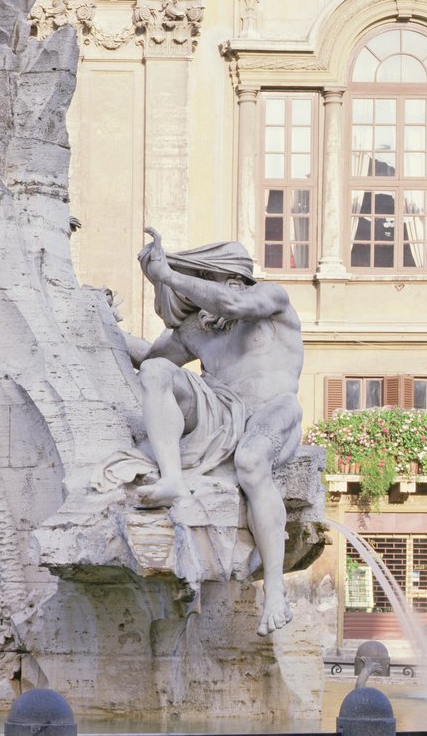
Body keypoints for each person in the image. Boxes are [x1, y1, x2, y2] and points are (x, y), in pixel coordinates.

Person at [127, 227, 304, 637]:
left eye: (203, 284)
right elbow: (147, 359)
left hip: (274, 408)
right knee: (157, 373)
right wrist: (97, 321)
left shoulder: (269, 298)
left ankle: (275, 588)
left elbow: (233, 304)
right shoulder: (195, 330)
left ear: (228, 279)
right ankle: (172, 478)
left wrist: (169, 275)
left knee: (251, 459)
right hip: (222, 412)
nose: (199, 299)